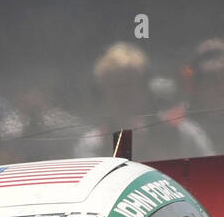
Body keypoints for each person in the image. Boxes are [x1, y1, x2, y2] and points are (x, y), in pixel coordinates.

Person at [75, 42, 210, 161]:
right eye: (115, 86)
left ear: (146, 89)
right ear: (102, 93)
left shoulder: (181, 134)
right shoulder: (92, 146)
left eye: (130, 84)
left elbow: (212, 174)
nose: (123, 94)